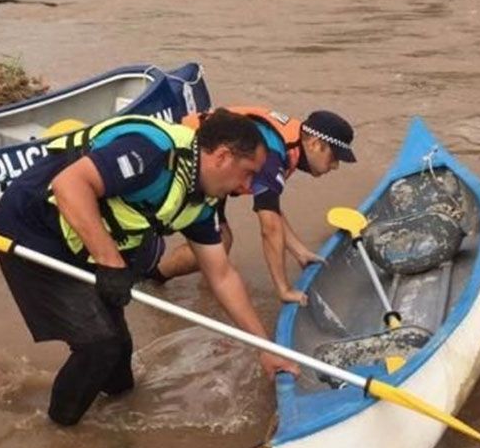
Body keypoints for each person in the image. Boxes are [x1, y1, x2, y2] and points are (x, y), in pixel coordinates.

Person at [0, 109, 300, 426]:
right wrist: (110, 262)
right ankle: (58, 430)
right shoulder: (151, 152)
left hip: (86, 241)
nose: (249, 187)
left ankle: (85, 398)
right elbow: (70, 184)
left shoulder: (201, 204)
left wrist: (265, 348)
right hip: (32, 230)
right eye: (248, 173)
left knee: (119, 368)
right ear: (222, 156)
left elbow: (222, 276)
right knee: (99, 346)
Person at [150, 108, 356, 305]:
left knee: (218, 242)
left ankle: (162, 278)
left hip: (218, 168)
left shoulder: (288, 144)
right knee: (220, 242)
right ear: (314, 143)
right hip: (197, 165)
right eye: (334, 157)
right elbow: (270, 227)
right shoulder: (274, 155)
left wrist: (299, 251)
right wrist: (283, 289)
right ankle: (153, 277)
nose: (335, 166)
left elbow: (271, 207)